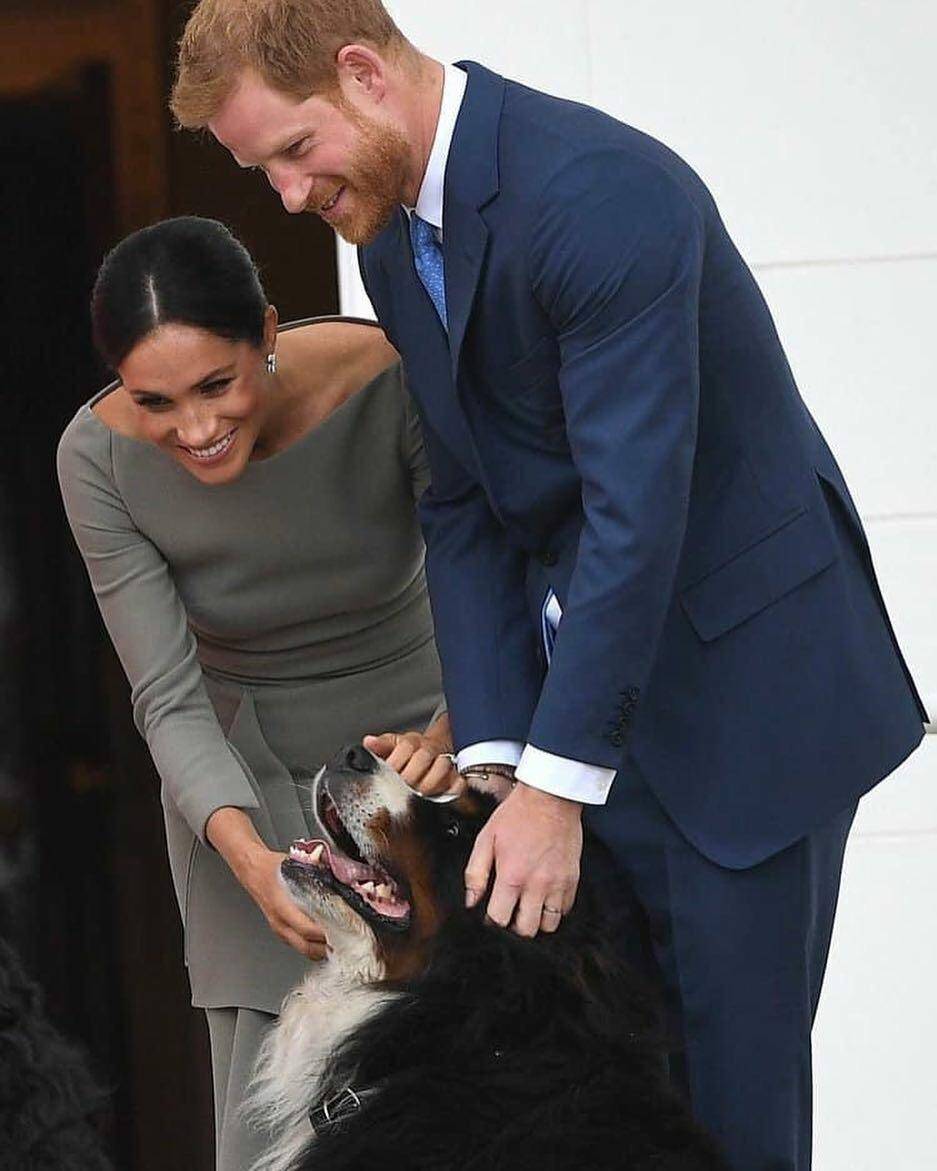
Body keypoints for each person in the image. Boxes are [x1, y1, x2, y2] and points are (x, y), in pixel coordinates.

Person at [170, 5, 929, 1169]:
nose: (283, 194)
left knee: (722, 1120)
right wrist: (494, 763)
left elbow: (636, 510)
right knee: (589, 1109)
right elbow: (465, 510)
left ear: (363, 74)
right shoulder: (389, 239)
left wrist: (553, 790)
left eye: (289, 151)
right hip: (589, 718)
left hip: (746, 711)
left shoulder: (600, 193)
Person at [57, 215, 457, 1170]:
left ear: (268, 334)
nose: (193, 429)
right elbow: (167, 696)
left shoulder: (392, 375)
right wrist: (248, 859)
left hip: (426, 765)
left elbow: (490, 575)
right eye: (154, 401)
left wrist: (453, 737)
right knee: (269, 1124)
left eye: (216, 385)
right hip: (244, 791)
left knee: (461, 1076)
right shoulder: (95, 461)